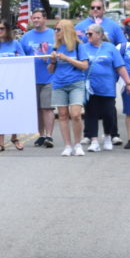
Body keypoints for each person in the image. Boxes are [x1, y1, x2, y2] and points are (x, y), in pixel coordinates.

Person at [82, 24, 130, 152]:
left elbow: (120, 66)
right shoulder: (83, 48)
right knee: (91, 114)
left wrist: (128, 83)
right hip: (90, 88)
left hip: (107, 87)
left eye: (90, 34)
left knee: (108, 114)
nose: (88, 36)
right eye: (87, 34)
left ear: (99, 35)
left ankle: (108, 136)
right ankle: (94, 141)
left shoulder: (110, 48)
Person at [47, 18, 91, 157]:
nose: (56, 32)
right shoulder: (54, 47)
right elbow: (50, 70)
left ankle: (77, 144)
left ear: (66, 30)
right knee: (62, 115)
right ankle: (67, 145)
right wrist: (53, 61)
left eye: (58, 29)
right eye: (55, 29)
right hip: (59, 84)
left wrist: (67, 58)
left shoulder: (78, 46)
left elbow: (84, 66)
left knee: (76, 115)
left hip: (76, 83)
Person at [0, 19, 30, 151]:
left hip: (13, 82)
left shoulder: (15, 43)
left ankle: (14, 137)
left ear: (7, 30)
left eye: (2, 28)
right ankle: (0, 143)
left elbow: (23, 60)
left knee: (13, 111)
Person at [19, 9, 58, 148]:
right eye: (33, 18)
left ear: (44, 19)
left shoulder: (53, 34)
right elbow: (21, 54)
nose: (35, 20)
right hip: (31, 78)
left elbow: (60, 51)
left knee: (47, 108)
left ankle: (49, 135)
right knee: (37, 109)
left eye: (38, 18)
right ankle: (41, 135)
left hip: (49, 77)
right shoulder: (26, 37)